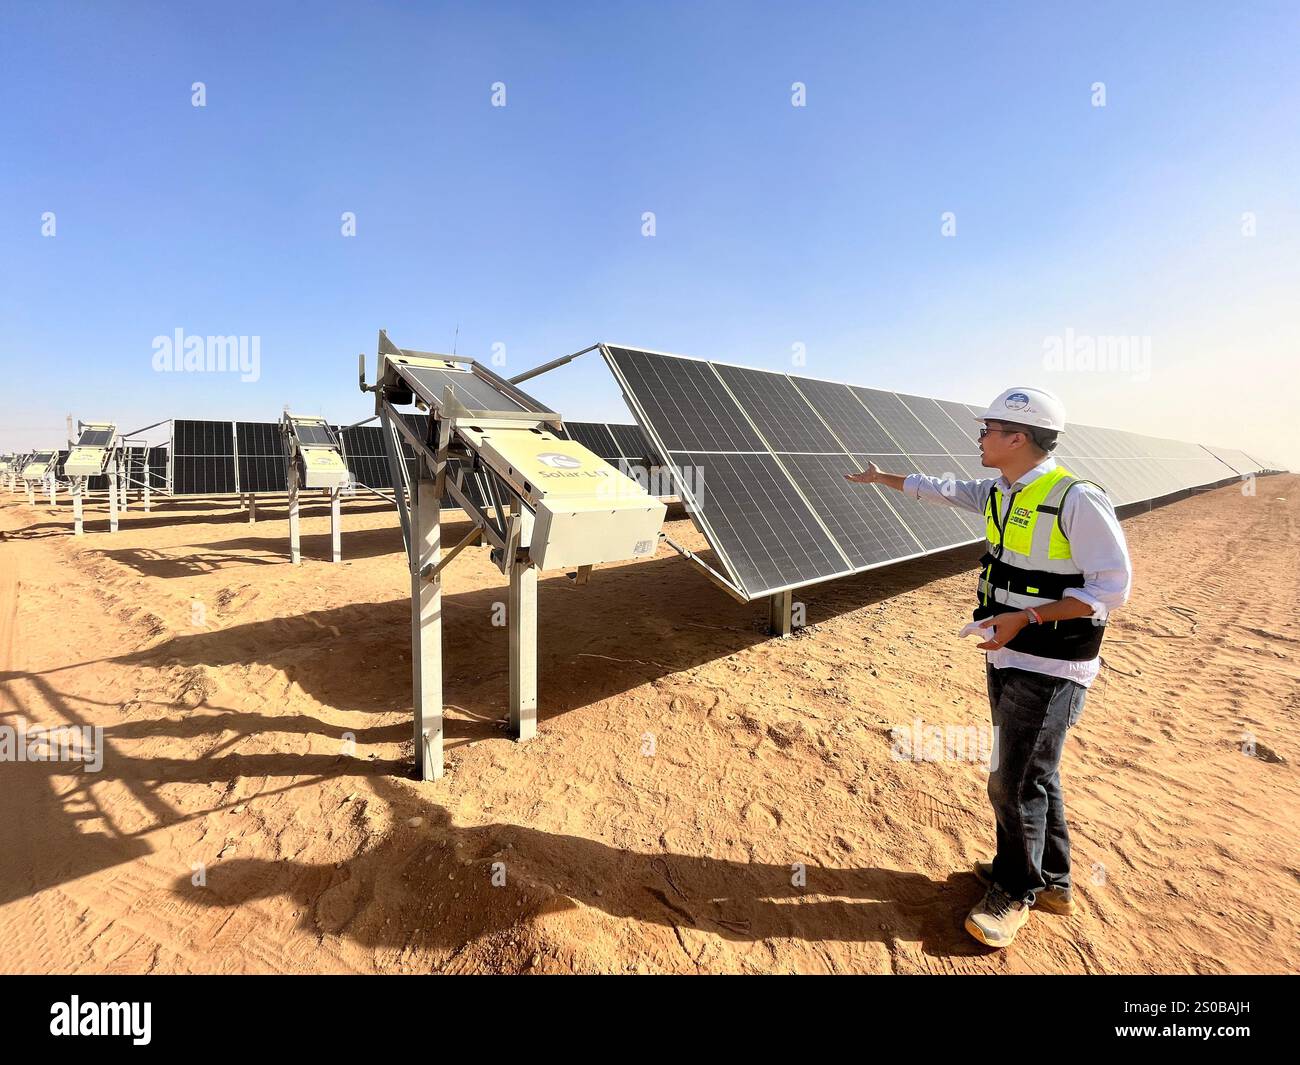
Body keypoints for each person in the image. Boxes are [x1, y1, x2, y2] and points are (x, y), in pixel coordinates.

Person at [845, 387, 1132, 948]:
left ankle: (1014, 890)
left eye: (989, 430)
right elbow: (944, 489)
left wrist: (1025, 620)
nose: (980, 438)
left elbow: (1111, 590)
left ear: (1018, 438)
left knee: (1012, 779)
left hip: (1052, 662)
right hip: (1006, 650)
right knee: (1035, 772)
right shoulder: (1002, 491)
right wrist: (886, 479)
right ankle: (1052, 882)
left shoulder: (1076, 498)